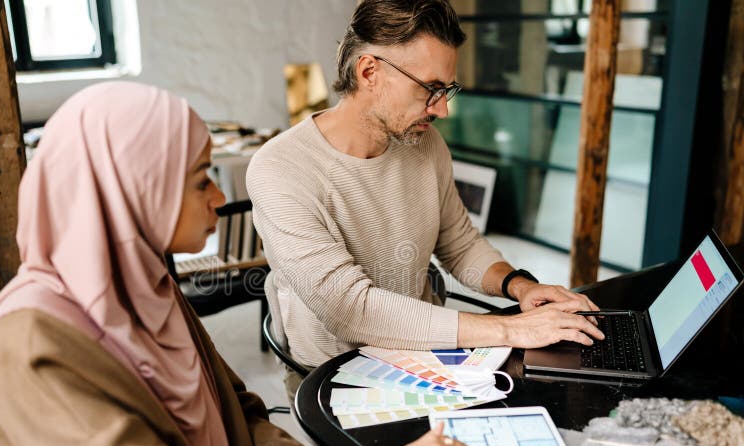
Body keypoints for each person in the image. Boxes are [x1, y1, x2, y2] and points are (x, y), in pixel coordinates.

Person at [0, 81, 506, 446]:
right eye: (200, 180)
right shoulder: (32, 348)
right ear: (135, 191)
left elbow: (234, 411)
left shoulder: (145, 290)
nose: (219, 199)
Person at [246, 0, 604, 385]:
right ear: (369, 71)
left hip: (427, 358)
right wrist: (512, 329)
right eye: (431, 89)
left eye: (446, 90)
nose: (443, 111)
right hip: (336, 378)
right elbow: (350, 310)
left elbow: (459, 244)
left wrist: (521, 287)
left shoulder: (426, 144)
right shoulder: (279, 168)